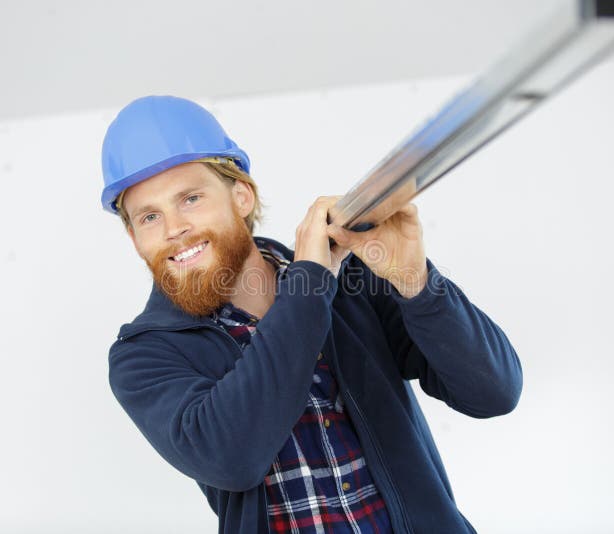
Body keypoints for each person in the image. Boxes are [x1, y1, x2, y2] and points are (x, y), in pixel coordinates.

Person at [102, 95, 523, 534]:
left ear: (241, 196)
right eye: (149, 217)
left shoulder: (351, 283)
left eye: (190, 198)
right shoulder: (143, 356)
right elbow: (232, 457)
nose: (174, 229)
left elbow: (494, 391)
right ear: (135, 240)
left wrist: (416, 282)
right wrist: (310, 283)